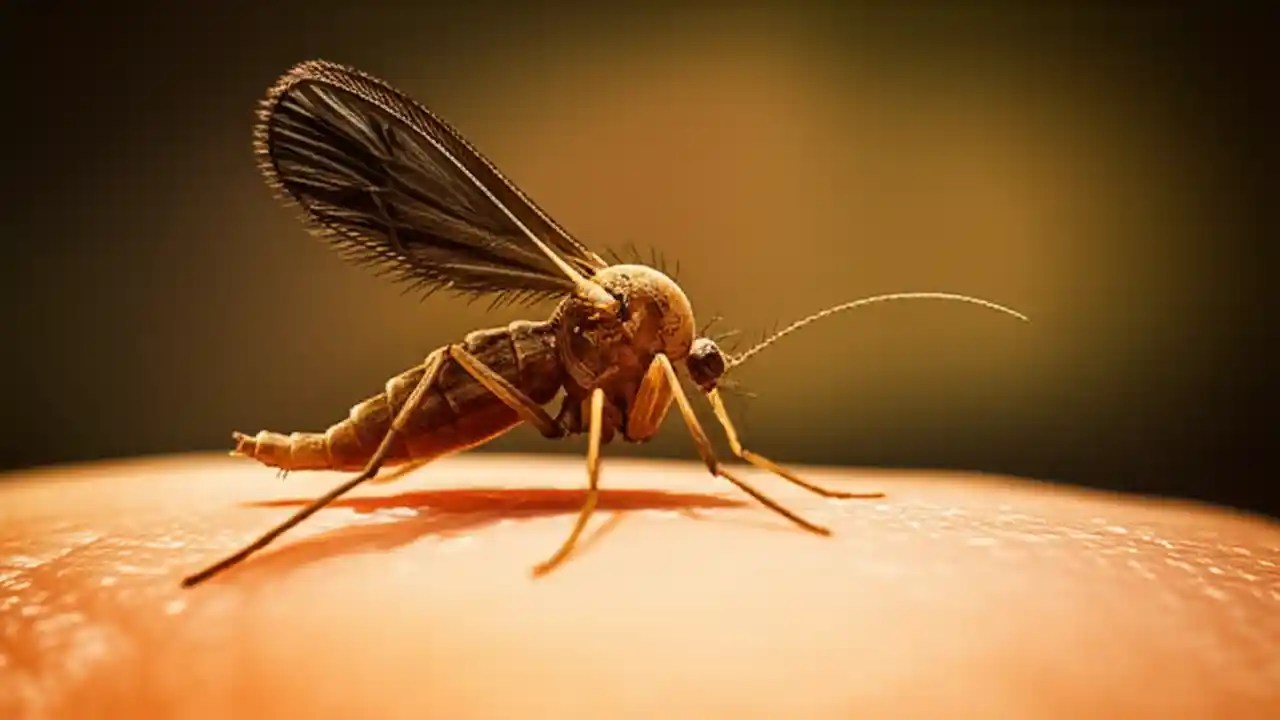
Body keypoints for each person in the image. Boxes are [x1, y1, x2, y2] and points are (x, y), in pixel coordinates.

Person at [2, 453, 1276, 719]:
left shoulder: (644, 365)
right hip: (431, 408)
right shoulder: (620, 348)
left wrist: (759, 476)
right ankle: (304, 508)